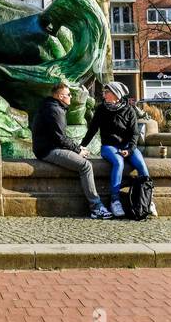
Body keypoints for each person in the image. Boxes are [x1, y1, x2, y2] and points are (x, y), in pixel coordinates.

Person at [31, 81, 112, 219]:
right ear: (61, 96)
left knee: (82, 158)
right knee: (86, 166)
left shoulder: (51, 106)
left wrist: (77, 148)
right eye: (69, 94)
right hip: (48, 150)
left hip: (47, 147)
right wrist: (77, 150)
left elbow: (59, 137)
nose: (71, 97)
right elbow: (60, 138)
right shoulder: (55, 110)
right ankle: (96, 207)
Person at [82, 81, 155, 218]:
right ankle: (115, 201)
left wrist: (130, 149)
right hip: (109, 146)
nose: (104, 95)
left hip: (127, 145)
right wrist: (82, 146)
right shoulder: (101, 109)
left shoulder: (129, 110)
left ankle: (147, 198)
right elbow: (92, 130)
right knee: (118, 162)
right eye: (104, 92)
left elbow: (134, 133)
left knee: (141, 165)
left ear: (116, 94)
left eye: (107, 92)